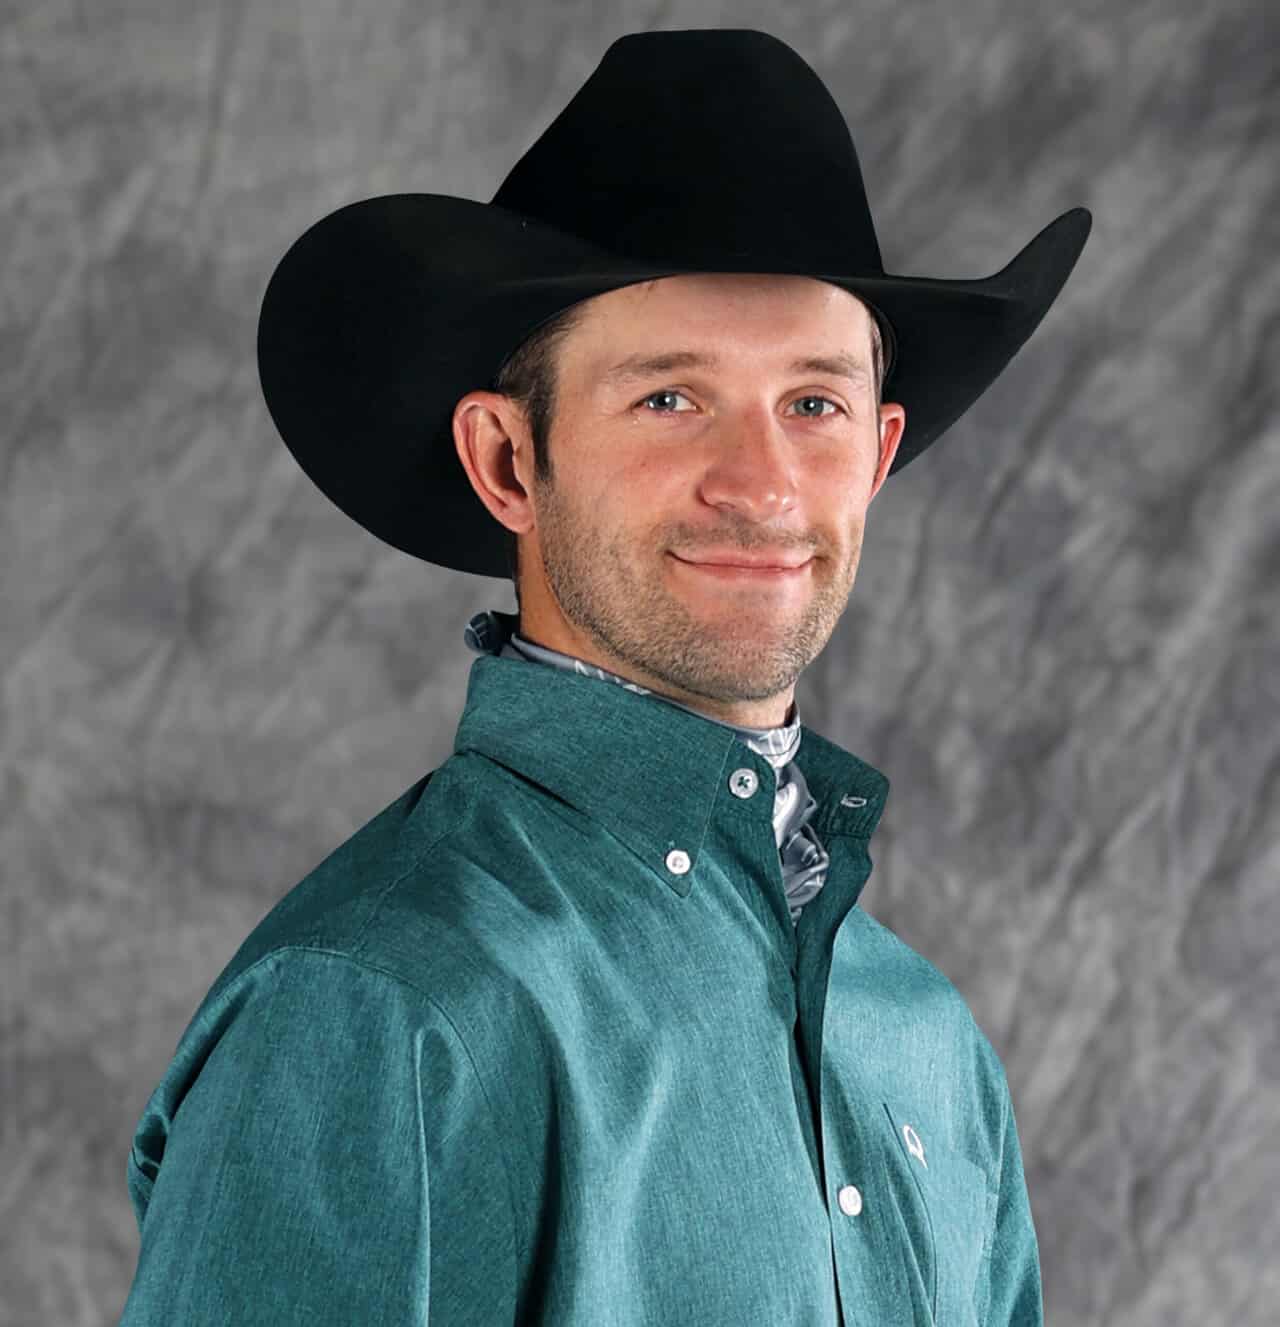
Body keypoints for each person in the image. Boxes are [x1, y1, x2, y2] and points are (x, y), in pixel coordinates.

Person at [118, 28, 1091, 1326]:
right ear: (510, 461)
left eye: (814, 404)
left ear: (877, 452)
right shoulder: (382, 1013)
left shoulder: (925, 1043)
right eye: (671, 399)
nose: (760, 483)